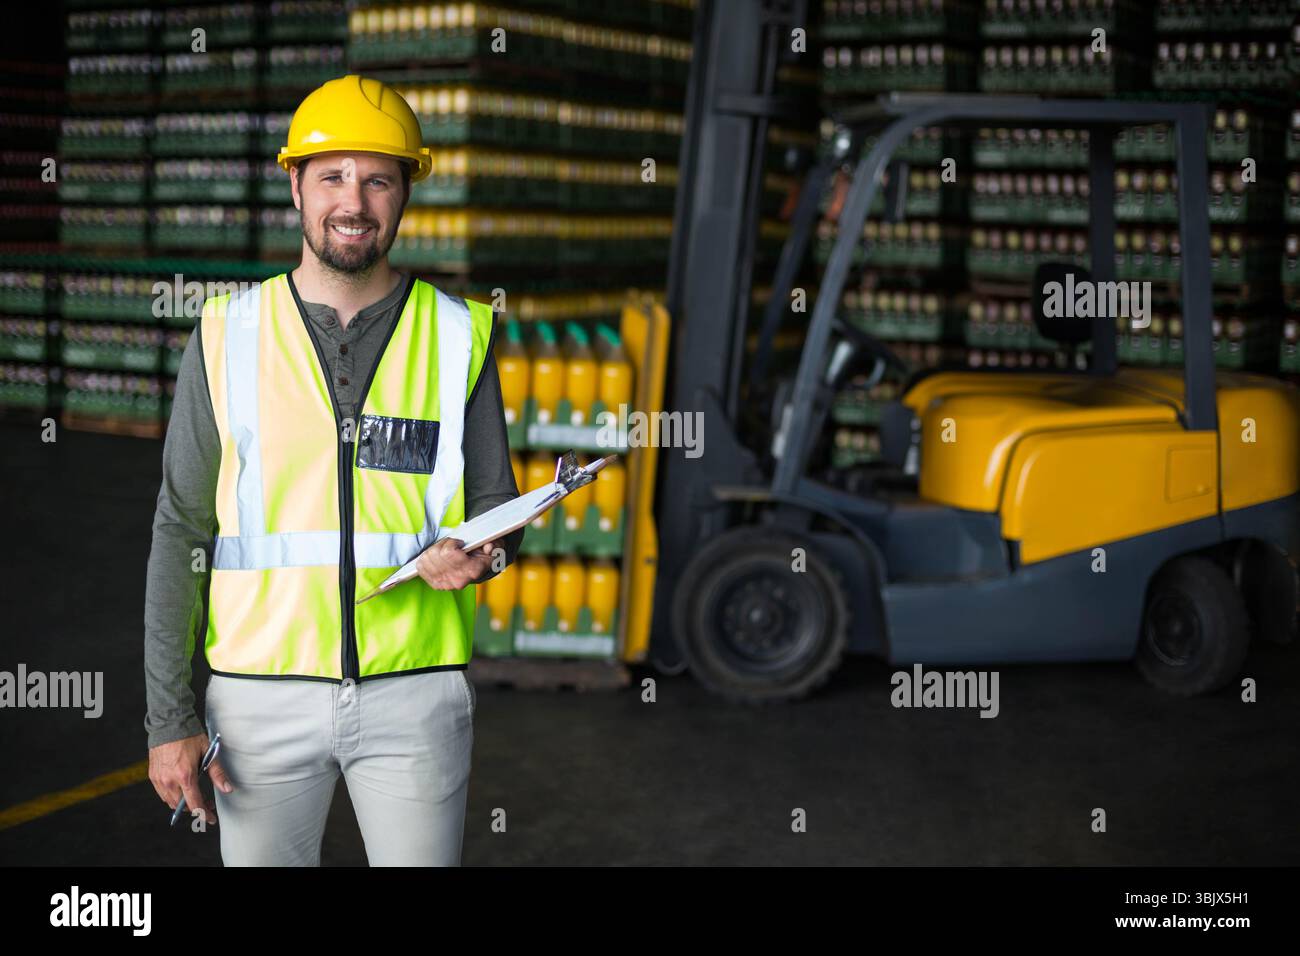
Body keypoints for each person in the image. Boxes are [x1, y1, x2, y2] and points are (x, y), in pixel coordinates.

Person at [143, 74, 523, 865]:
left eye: (378, 179)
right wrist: (168, 717)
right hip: (256, 699)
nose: (354, 201)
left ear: (406, 192)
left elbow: (497, 506)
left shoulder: (461, 337)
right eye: (332, 177)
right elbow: (182, 523)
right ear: (295, 186)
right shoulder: (226, 333)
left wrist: (484, 557)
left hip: (415, 695)